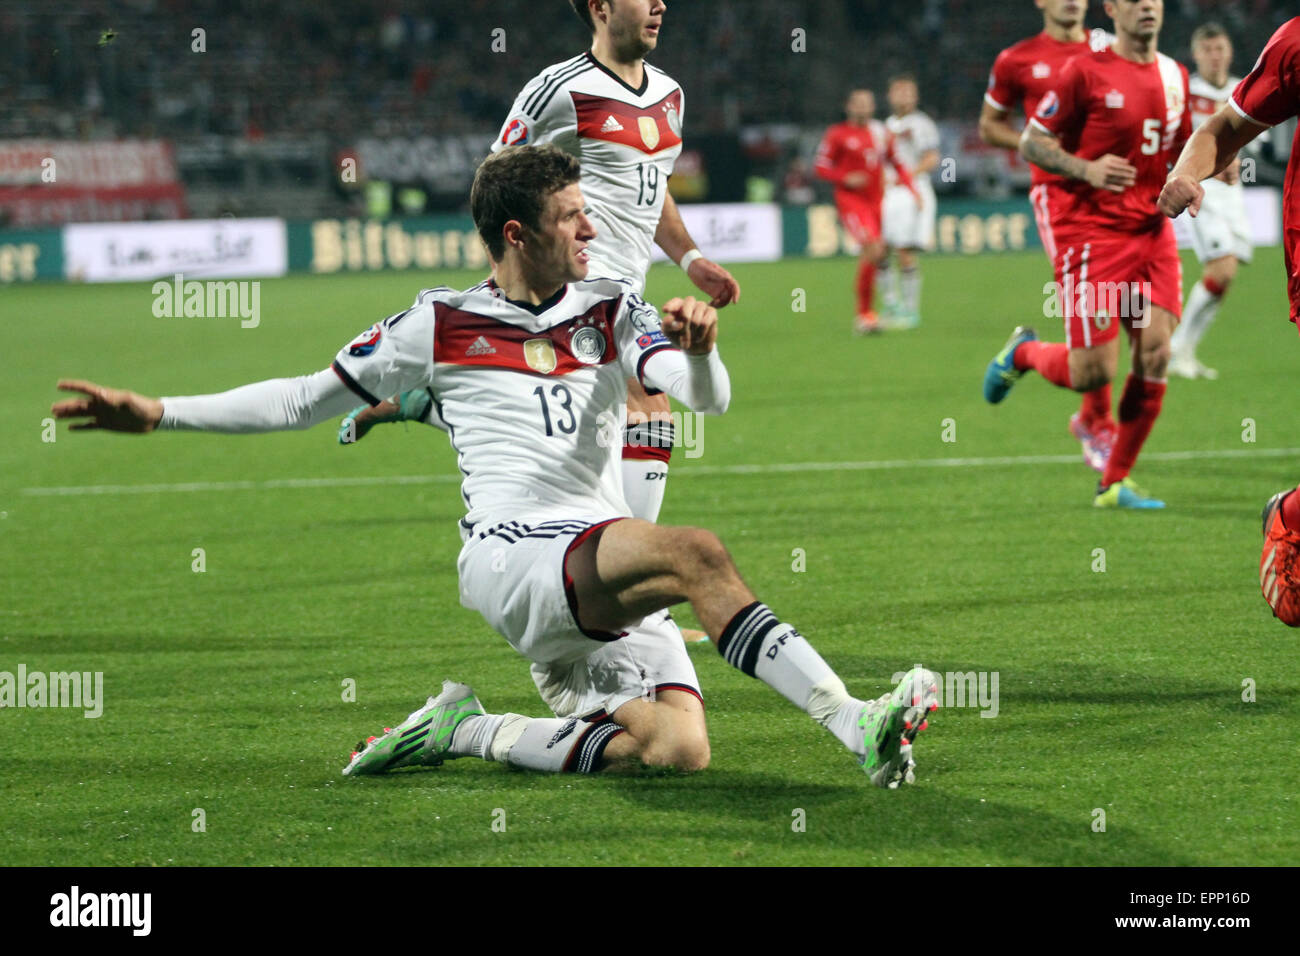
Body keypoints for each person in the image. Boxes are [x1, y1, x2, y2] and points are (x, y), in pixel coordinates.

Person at [50, 145, 939, 784]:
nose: (591, 227)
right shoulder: (436, 325)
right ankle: (855, 723)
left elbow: (704, 398)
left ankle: (468, 730)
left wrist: (698, 349)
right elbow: (299, 397)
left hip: (593, 552)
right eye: (570, 217)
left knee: (676, 749)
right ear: (517, 233)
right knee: (696, 552)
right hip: (515, 555)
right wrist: (159, 412)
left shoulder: (610, 308)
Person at [340, 0, 739, 539]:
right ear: (600, 7)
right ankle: (631, 593)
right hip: (579, 282)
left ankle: (427, 398)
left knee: (580, 416)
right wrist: (508, 282)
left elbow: (653, 185)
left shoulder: (671, 94)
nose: (660, 4)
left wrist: (690, 259)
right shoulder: (558, 89)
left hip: (626, 285)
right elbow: (495, 183)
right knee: (649, 403)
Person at [982, 0, 1190, 510]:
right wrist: (1086, 168)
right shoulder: (1067, 67)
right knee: (1093, 369)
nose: (1147, 5)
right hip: (1084, 222)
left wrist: (1210, 168)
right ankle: (1024, 353)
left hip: (1149, 225)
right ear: (1114, 8)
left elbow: (1183, 141)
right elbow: (1026, 139)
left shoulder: (1172, 73)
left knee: (1156, 348)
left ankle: (1113, 480)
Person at [1157, 16, 1300, 624]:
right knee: (1220, 271)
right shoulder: (1294, 46)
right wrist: (1186, 172)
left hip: (1241, 196)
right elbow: (1225, 126)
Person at [979, 0, 1118, 473]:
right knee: (1095, 305)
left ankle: (1035, 363)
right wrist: (1042, 144)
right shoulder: (1015, 59)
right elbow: (989, 126)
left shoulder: (1109, 49)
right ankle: (1096, 421)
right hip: (1060, 197)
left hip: (1115, 189)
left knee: (1127, 308)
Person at [1167, 23, 1258, 381]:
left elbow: (1252, 143)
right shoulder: (1184, 93)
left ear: (1229, 52)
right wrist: (1209, 166)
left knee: (1226, 275)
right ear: (1196, 54)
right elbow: (1173, 139)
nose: (1214, 56)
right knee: (1221, 268)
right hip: (1200, 189)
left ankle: (1185, 351)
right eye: (1207, 50)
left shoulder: (1243, 89)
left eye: (1219, 48)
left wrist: (1237, 167)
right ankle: (1177, 349)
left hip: (1233, 194)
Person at [814, 88, 919, 335]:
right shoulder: (837, 133)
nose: (863, 108)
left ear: (873, 107)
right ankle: (864, 316)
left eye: (867, 103)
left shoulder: (881, 133)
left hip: (879, 202)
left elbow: (896, 162)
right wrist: (845, 177)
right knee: (873, 248)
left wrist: (912, 189)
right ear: (848, 106)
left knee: (877, 253)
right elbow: (820, 167)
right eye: (858, 103)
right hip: (851, 201)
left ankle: (876, 311)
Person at [881, 74, 940, 328]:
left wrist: (907, 178)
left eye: (908, 92)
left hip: (912, 190)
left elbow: (932, 158)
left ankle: (910, 310)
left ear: (916, 97)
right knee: (880, 248)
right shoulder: (886, 125)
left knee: (904, 249)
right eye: (898, 91)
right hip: (888, 192)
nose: (903, 96)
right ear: (889, 96)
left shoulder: (922, 124)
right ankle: (891, 304)